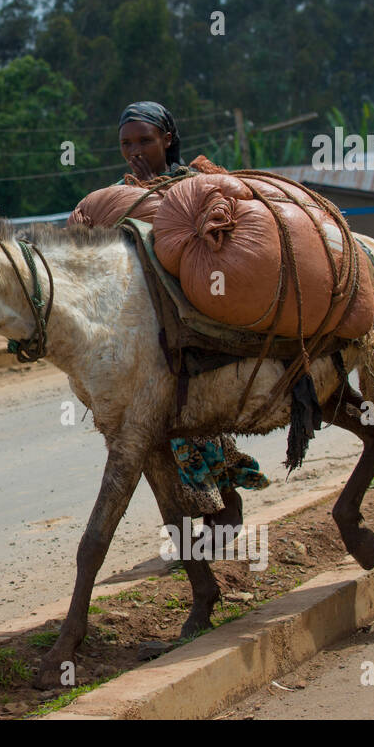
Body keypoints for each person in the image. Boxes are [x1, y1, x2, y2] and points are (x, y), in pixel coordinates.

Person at [86, 100, 271, 536]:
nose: (135, 150)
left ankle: (218, 511)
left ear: (167, 139)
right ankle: (198, 524)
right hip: (143, 331)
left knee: (192, 420)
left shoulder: (195, 184)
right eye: (126, 143)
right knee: (154, 436)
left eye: (145, 141)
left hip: (198, 321)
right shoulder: (115, 196)